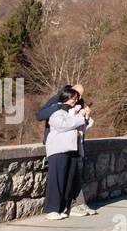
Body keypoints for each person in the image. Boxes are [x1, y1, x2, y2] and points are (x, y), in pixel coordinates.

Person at [36, 83, 98, 216]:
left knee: (70, 178)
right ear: (67, 93)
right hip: (58, 145)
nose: (78, 98)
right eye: (75, 95)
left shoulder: (78, 103)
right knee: (57, 179)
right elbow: (46, 118)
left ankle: (67, 207)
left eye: (80, 95)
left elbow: (81, 124)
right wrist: (77, 116)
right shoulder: (57, 106)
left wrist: (85, 118)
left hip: (73, 145)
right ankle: (55, 209)